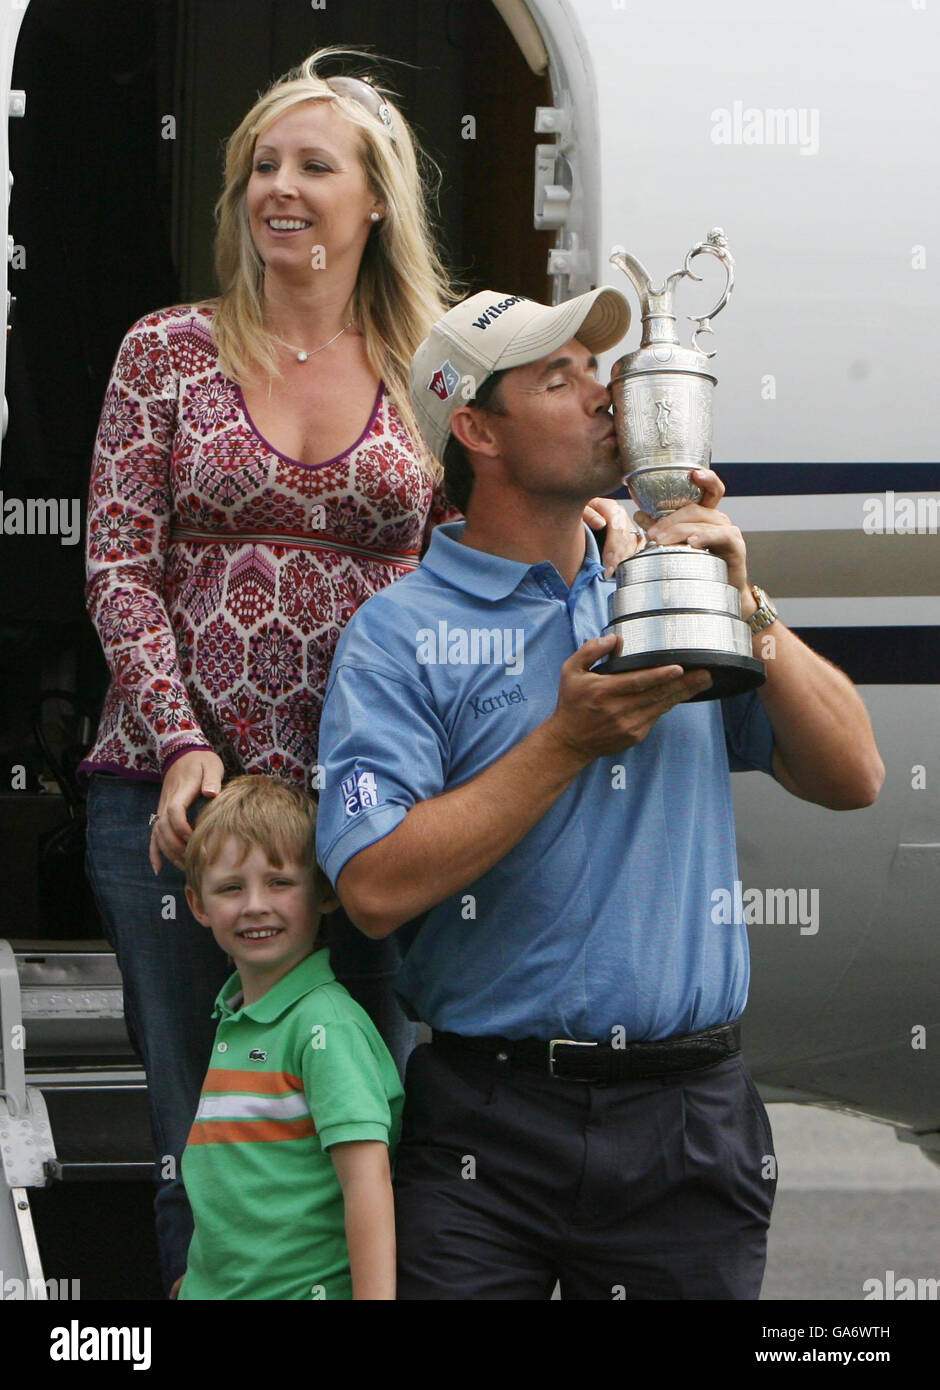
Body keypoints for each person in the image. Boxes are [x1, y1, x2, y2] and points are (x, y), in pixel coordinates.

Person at [80, 48, 633, 1295]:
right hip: (183, 809)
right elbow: (119, 563)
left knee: (366, 1124)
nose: (281, 188)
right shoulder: (166, 350)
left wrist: (596, 519)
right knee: (204, 1139)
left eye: (313, 167)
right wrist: (180, 741)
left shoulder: (424, 367)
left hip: (370, 803)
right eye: (261, 167)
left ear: (373, 198)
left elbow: (494, 500)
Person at [315, 287, 886, 1300]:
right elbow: (372, 885)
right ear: (477, 429)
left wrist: (744, 606)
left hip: (686, 1123)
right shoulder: (399, 635)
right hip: (483, 1133)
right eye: (559, 376)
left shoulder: (666, 582)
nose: (603, 393)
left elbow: (855, 776)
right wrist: (565, 742)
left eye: (596, 367)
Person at [174, 775, 402, 1301]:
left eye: (279, 882)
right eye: (231, 888)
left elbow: (368, 1185)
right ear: (198, 904)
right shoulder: (234, 1018)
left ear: (324, 892)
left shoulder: (326, 1027)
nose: (255, 905)